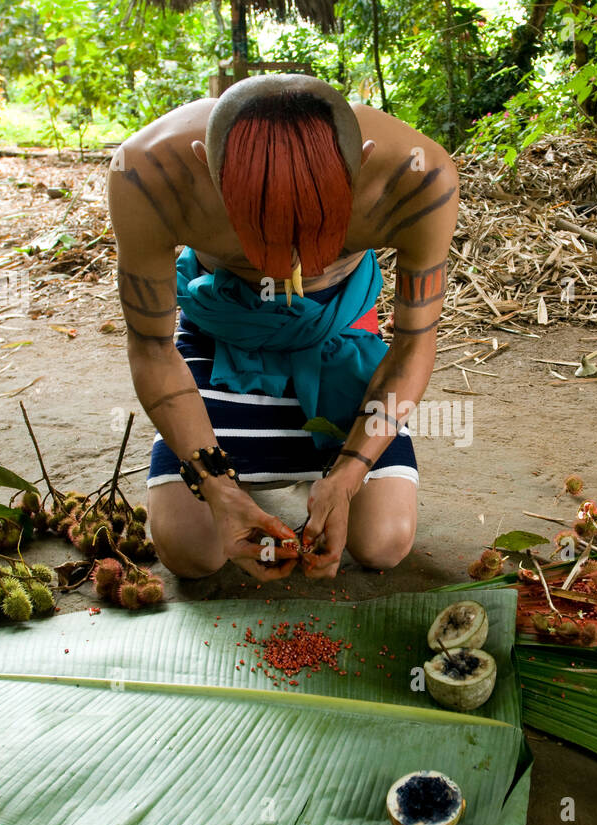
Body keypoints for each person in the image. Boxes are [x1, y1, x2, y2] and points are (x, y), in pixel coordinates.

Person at [108, 73, 457, 582]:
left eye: (320, 230)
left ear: (360, 161)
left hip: (339, 326)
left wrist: (349, 473)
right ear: (207, 166)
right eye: (256, 232)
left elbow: (412, 348)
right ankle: (237, 464)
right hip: (223, 331)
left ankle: (314, 470)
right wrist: (217, 487)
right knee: (192, 552)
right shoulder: (149, 174)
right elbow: (152, 347)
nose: (286, 263)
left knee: (383, 543)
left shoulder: (416, 179)